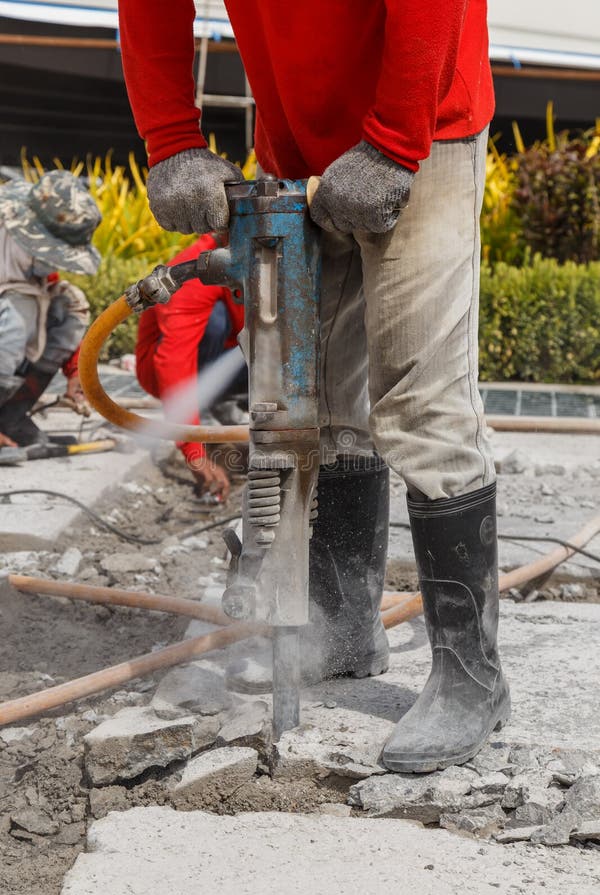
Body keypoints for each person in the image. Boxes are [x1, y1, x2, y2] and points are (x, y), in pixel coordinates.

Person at [118, 1, 510, 773]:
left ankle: (472, 679)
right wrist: (172, 142)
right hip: (295, 139)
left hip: (424, 124)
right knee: (314, 395)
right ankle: (340, 625)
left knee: (420, 403)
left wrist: (395, 145)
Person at [135, 233, 245, 500]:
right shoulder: (199, 267)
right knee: (214, 322)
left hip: (234, 356)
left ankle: (224, 406)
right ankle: (204, 405)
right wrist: (195, 454)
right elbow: (174, 361)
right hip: (165, 373)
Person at [0, 171, 101, 447]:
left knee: (69, 304)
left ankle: (10, 417)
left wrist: (75, 370)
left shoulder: (25, 259)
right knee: (18, 314)